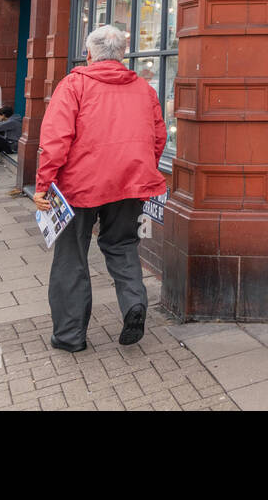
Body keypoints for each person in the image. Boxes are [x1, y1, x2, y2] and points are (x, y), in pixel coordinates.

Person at [34, 25, 167, 353]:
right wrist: (141, 169)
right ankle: (134, 303)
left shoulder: (74, 84)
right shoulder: (143, 89)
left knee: (72, 255)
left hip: (80, 185)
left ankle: (69, 336)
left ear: (89, 54)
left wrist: (43, 184)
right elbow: (158, 136)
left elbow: (55, 140)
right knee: (122, 245)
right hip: (129, 183)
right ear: (122, 54)